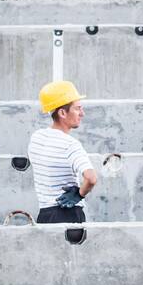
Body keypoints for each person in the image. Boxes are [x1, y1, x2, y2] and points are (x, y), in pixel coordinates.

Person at [27, 80, 97, 223]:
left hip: (44, 215)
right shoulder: (70, 145)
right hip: (69, 215)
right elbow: (91, 178)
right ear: (62, 113)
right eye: (77, 108)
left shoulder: (36, 138)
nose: (82, 113)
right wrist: (79, 194)